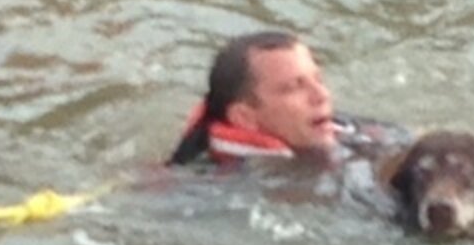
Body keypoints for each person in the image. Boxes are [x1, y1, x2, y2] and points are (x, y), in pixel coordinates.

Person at [168, 30, 407, 166]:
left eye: (319, 80)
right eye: (294, 87)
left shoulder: (353, 133)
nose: (321, 96)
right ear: (245, 117)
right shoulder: (218, 190)